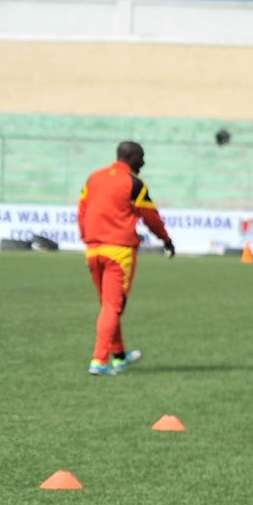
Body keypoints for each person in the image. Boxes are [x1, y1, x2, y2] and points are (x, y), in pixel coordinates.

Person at [77, 140, 175, 375]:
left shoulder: (94, 178)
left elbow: (82, 210)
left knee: (108, 306)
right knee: (113, 306)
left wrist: (87, 236)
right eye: (141, 157)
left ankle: (119, 356)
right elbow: (151, 217)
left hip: (93, 250)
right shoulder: (134, 183)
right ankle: (99, 361)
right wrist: (166, 240)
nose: (143, 162)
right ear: (132, 158)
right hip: (118, 252)